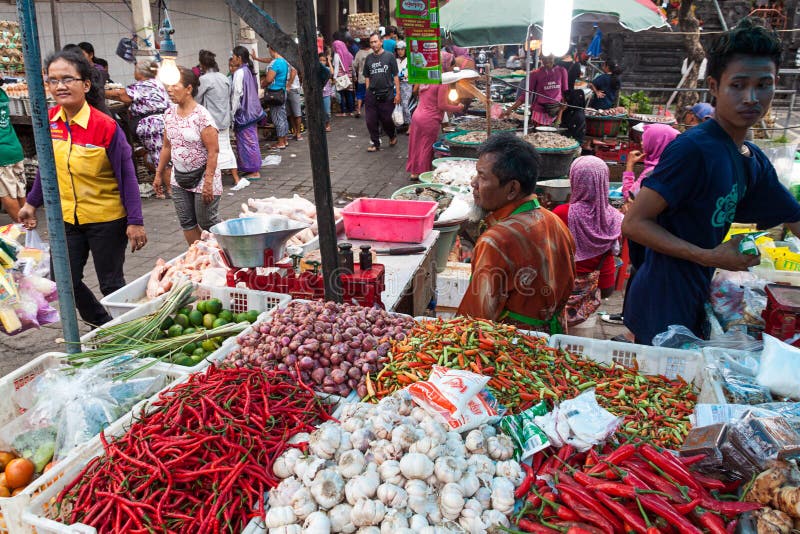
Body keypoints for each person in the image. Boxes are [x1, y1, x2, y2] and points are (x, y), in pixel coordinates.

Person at [622, 18, 800, 345]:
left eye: (764, 84)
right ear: (715, 87)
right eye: (738, 85)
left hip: (699, 292)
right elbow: (634, 223)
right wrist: (710, 256)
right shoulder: (693, 149)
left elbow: (794, 216)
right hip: (662, 298)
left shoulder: (751, 158)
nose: (751, 97)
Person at [18, 50, 146, 326]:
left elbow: (127, 177)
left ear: (86, 85)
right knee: (63, 280)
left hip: (107, 219)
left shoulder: (106, 126)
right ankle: (102, 324)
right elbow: (46, 169)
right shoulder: (49, 122)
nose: (60, 86)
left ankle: (129, 331)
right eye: (53, 80)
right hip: (67, 219)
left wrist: (135, 221)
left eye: (67, 79)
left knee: (111, 285)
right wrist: (31, 203)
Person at [458, 133, 576, 333]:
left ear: (512, 189)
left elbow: (476, 319)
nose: (473, 183)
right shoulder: (554, 221)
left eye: (482, 176)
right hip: (553, 340)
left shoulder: (496, 241)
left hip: (512, 347)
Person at [155, 67, 221, 246]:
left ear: (189, 89)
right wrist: (158, 173)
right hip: (179, 178)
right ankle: (200, 260)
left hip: (204, 177)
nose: (169, 89)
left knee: (208, 223)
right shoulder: (169, 114)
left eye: (175, 85)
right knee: (187, 223)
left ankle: (227, 256)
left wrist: (208, 183)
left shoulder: (202, 117)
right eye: (168, 85)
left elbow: (213, 151)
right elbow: (167, 146)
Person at [553, 156, 623, 327]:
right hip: (596, 290)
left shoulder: (562, 213)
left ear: (575, 180)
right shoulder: (615, 217)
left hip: (561, 289)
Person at [105, 60, 170, 196]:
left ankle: (172, 190)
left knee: (161, 158)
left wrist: (100, 92)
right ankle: (170, 187)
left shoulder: (143, 85)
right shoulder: (156, 83)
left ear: (140, 72)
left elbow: (122, 95)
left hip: (154, 124)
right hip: (161, 122)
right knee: (161, 157)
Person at [405, 52, 463, 180]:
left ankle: (414, 172)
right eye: (451, 64)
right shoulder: (442, 81)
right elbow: (442, 105)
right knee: (426, 147)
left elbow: (418, 92)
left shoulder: (427, 76)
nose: (452, 67)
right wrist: (457, 108)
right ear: (446, 64)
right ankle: (424, 173)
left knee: (416, 144)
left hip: (417, 115)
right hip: (429, 119)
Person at [196, 50, 247, 191]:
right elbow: (231, 98)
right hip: (225, 119)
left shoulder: (204, 80)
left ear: (202, 64)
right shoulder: (225, 78)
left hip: (211, 122)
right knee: (226, 148)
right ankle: (236, 178)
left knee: (211, 151)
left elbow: (196, 101)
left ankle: (211, 181)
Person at [502, 55, 568, 127]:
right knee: (538, 135)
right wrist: (511, 109)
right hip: (539, 112)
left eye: (549, 58)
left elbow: (565, 92)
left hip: (556, 111)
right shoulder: (535, 74)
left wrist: (561, 110)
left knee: (555, 133)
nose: (547, 60)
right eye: (544, 58)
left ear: (554, 57)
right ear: (541, 58)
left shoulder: (562, 71)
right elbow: (526, 94)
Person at [230, 46, 264, 179]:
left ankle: (254, 170)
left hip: (244, 113)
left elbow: (237, 95)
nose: (232, 60)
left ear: (238, 58)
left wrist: (232, 113)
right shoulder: (247, 70)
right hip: (251, 112)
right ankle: (250, 167)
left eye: (233, 57)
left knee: (248, 142)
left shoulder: (240, 72)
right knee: (250, 140)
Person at [363, 32, 400, 152]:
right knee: (370, 120)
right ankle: (375, 143)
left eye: (375, 41)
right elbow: (367, 76)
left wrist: (397, 94)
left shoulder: (389, 56)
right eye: (371, 42)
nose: (373, 44)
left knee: (386, 120)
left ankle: (392, 135)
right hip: (372, 94)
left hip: (387, 94)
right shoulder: (369, 58)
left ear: (381, 42)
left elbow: (395, 76)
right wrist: (368, 91)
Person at [622, 123, 680, 201]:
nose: (642, 143)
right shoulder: (672, 164)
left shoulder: (654, 171)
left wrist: (629, 165)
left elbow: (630, 196)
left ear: (658, 143)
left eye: (646, 139)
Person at [0, 80, 26, 221]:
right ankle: (29, 222)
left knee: (7, 193)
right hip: (13, 146)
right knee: (19, 188)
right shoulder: (2, 94)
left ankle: (25, 228)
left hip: (2, 153)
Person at [261, 44, 290, 150]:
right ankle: (285, 140)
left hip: (275, 93)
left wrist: (262, 84)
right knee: (282, 116)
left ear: (272, 49)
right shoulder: (284, 62)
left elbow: (269, 79)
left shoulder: (276, 63)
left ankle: (281, 142)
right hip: (282, 91)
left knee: (277, 118)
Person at [557, 48, 586, 143]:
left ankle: (561, 132)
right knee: (568, 112)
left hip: (559, 92)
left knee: (561, 112)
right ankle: (567, 133)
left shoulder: (558, 63)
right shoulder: (576, 64)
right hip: (571, 93)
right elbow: (578, 76)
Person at [332, 34, 356, 117]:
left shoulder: (337, 55)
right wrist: (354, 75)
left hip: (340, 77)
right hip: (348, 77)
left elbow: (336, 68)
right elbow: (352, 67)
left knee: (341, 95)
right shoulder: (349, 54)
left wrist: (334, 77)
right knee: (349, 94)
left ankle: (343, 112)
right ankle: (351, 111)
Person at [395, 41, 412, 129]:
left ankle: (410, 125)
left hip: (407, 84)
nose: (400, 51)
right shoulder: (395, 61)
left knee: (405, 104)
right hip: (396, 85)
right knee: (397, 104)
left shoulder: (409, 60)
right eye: (398, 49)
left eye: (402, 49)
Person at [352, 39, 371, 118]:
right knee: (370, 94)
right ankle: (369, 111)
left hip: (361, 77)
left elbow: (354, 65)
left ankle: (359, 109)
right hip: (371, 78)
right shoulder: (372, 52)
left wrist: (354, 75)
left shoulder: (359, 53)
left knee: (360, 94)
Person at [286, 64, 304, 141]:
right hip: (287, 88)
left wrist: (289, 85)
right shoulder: (281, 58)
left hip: (293, 88)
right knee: (290, 113)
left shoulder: (290, 59)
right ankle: (295, 131)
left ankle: (298, 133)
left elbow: (293, 71)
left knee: (297, 113)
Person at [320, 53, 334, 132]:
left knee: (327, 111)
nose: (322, 62)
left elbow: (331, 72)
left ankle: (327, 125)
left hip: (326, 94)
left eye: (324, 60)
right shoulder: (316, 69)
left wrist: (329, 61)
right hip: (318, 94)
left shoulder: (327, 69)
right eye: (320, 60)